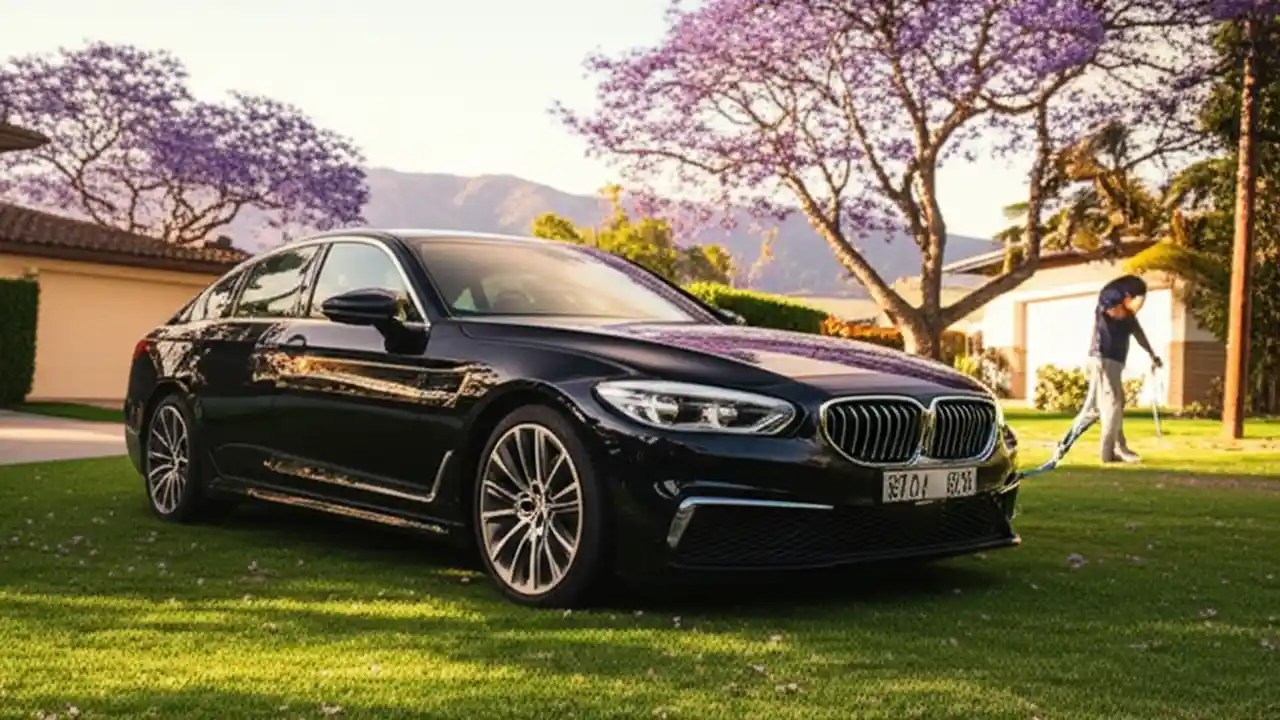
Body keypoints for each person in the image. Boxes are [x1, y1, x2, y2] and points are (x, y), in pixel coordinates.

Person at [1059, 274, 1163, 464]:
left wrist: (1152, 355)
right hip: (1104, 360)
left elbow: (1140, 336)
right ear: (1125, 297)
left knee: (1108, 405)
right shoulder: (1107, 308)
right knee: (1112, 404)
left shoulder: (1129, 317)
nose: (1140, 303)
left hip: (1112, 363)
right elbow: (1113, 308)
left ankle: (1112, 447)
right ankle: (1107, 453)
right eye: (1137, 298)